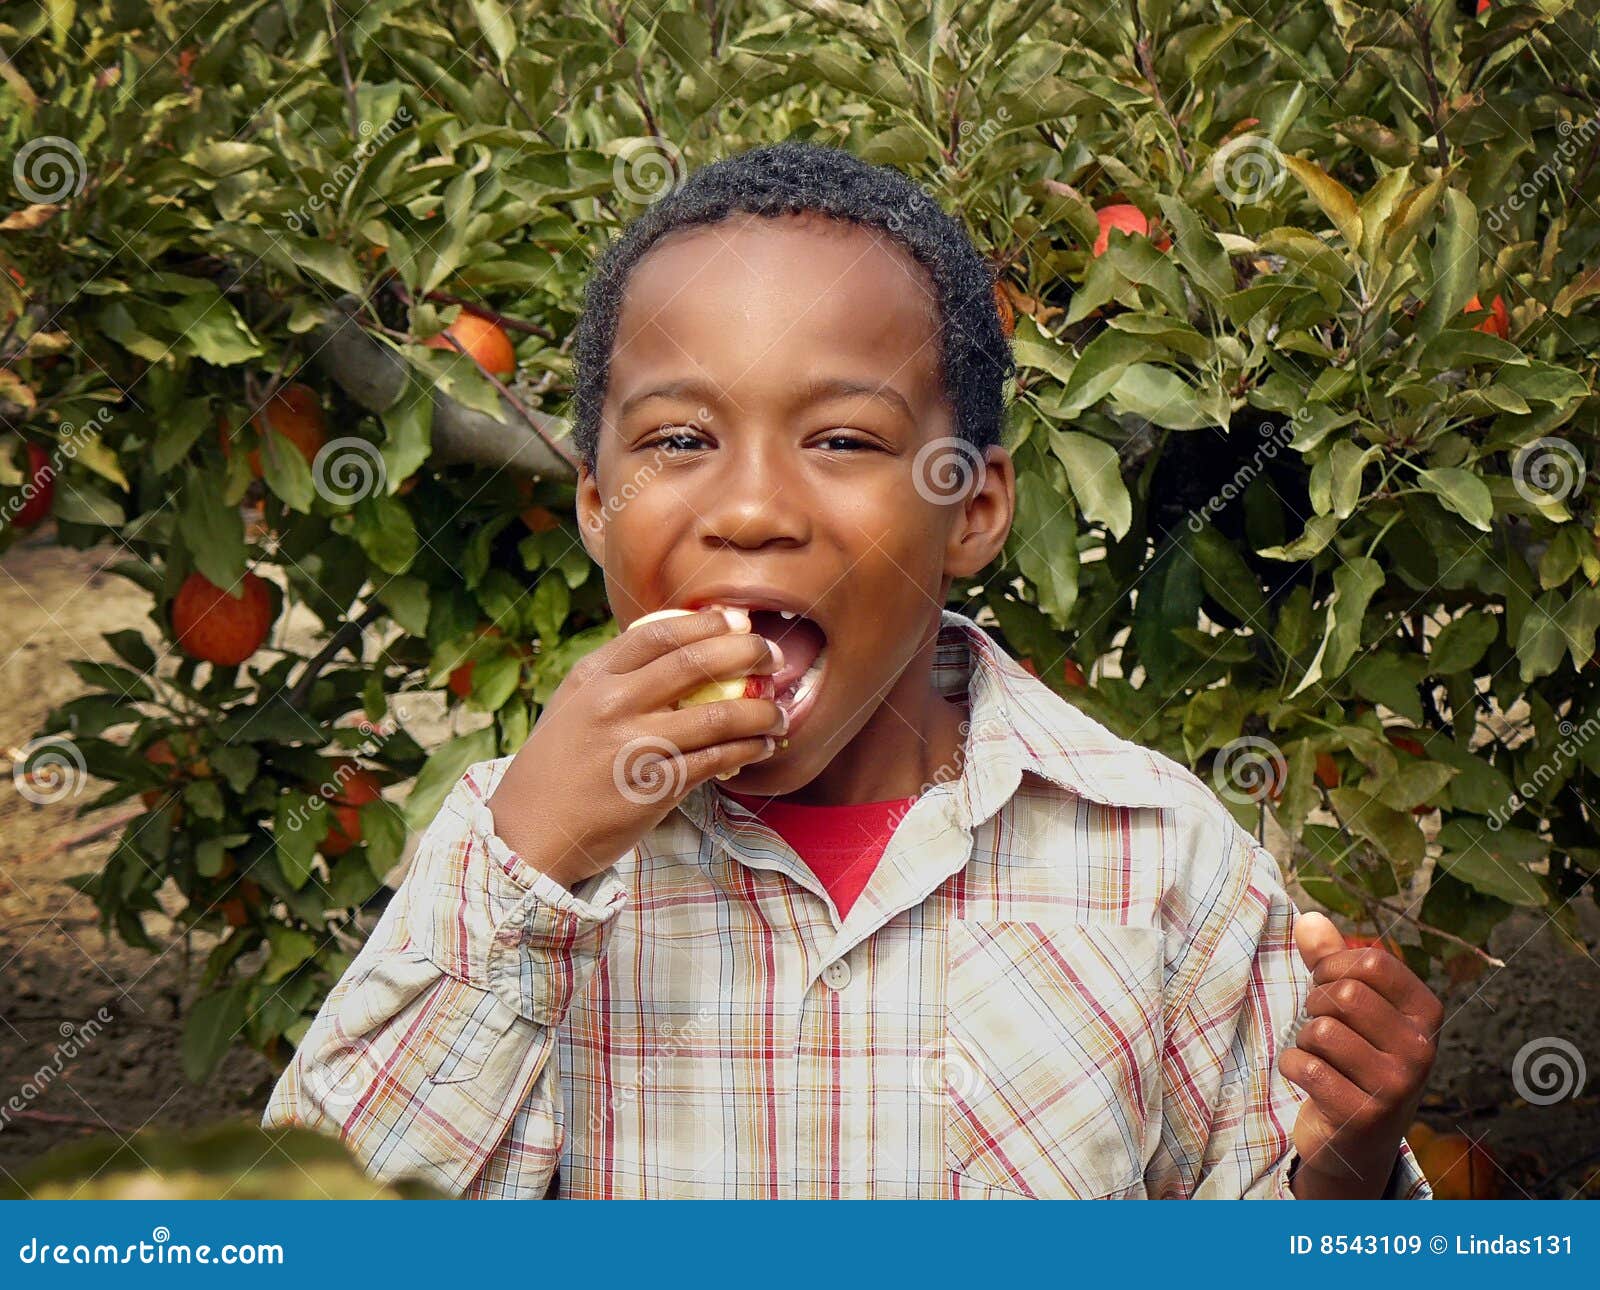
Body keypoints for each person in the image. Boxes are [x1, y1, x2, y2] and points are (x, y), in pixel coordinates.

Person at [264, 140, 1441, 1199]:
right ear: (593, 503)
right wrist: (531, 872)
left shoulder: (1155, 859)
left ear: (971, 509)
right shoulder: (511, 862)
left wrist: (1343, 1162)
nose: (753, 507)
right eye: (678, 442)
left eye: (842, 440)